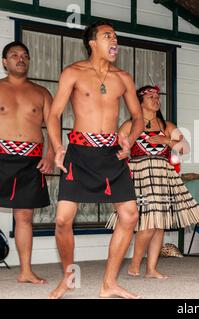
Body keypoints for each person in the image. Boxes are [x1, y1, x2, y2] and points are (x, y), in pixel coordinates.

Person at [47, 21, 144, 299]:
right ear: (92, 42)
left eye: (115, 36)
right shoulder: (73, 73)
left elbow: (138, 118)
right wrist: (57, 147)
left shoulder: (123, 77)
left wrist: (130, 141)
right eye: (107, 36)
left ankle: (109, 283)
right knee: (63, 220)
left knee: (129, 216)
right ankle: (69, 278)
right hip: (79, 152)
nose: (114, 40)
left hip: (112, 154)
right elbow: (54, 115)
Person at [106, 85, 199, 279]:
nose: (156, 99)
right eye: (151, 96)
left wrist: (166, 141)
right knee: (148, 223)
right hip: (140, 175)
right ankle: (135, 264)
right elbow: (115, 150)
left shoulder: (166, 125)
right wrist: (123, 155)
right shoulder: (130, 125)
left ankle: (151, 268)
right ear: (139, 102)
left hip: (163, 175)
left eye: (157, 96)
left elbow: (185, 147)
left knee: (159, 223)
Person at [0, 41, 54, 284]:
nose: (20, 58)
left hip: (32, 160)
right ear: (4, 62)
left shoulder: (42, 93)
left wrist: (51, 154)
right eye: (14, 55)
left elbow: (52, 127)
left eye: (25, 55)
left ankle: (25, 271)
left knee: (24, 217)